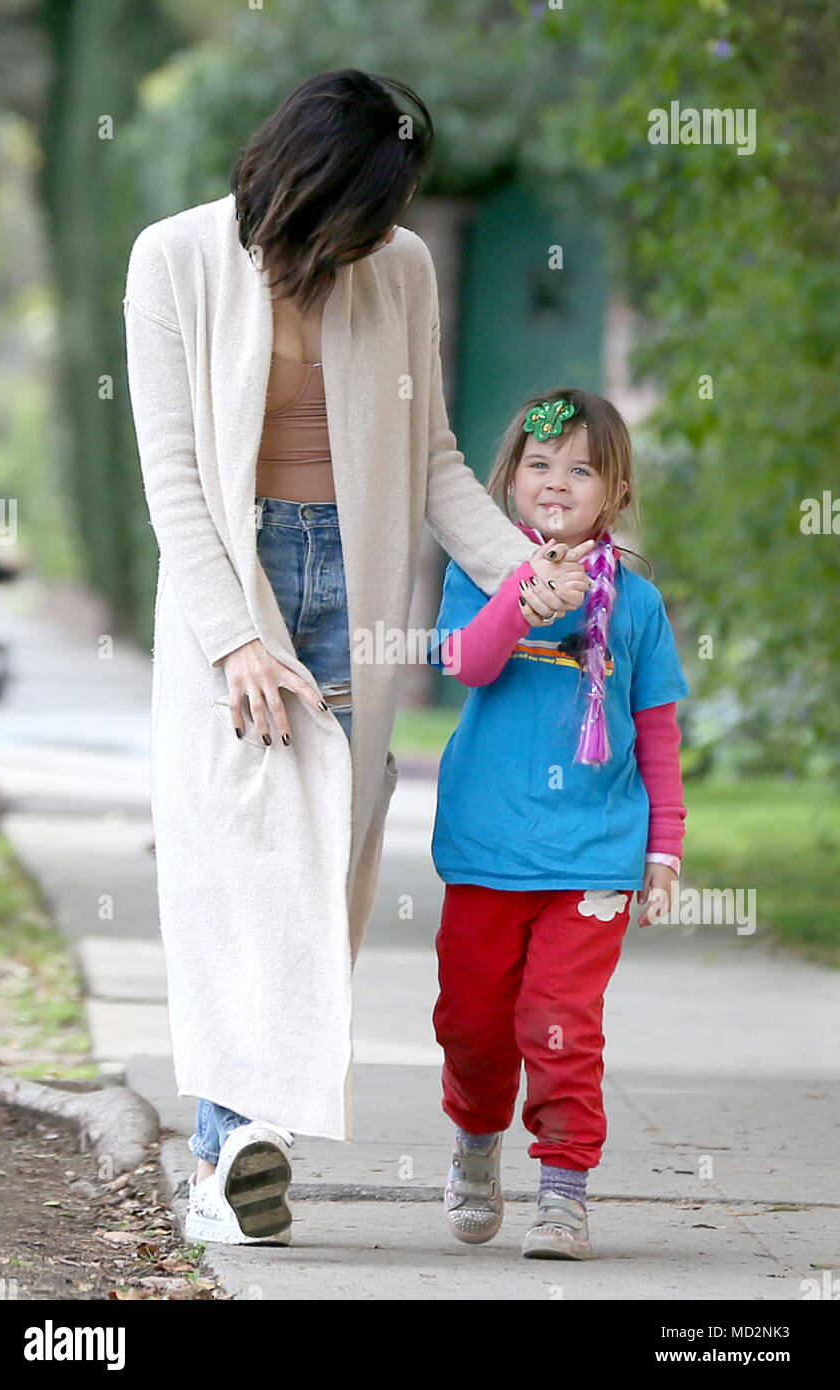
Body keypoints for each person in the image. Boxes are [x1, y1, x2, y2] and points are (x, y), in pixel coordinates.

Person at [123, 70, 592, 1247]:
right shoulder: (173, 260)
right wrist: (233, 637)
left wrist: (517, 566)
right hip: (238, 582)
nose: (382, 234)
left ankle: (247, 1130)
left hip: (360, 580)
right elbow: (174, 477)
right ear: (304, 187)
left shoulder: (400, 269)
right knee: (241, 857)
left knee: (326, 850)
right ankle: (230, 1139)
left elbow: (432, 456)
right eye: (368, 209)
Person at [427, 388, 689, 1259]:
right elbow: (465, 662)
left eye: (581, 470)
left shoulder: (638, 605)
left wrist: (664, 850)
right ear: (508, 481)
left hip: (592, 857)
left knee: (560, 1021)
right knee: (471, 1021)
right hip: (488, 850)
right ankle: (474, 1137)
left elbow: (656, 730)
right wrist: (527, 599)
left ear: (612, 494)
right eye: (539, 464)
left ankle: (564, 1189)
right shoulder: (479, 573)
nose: (556, 482)